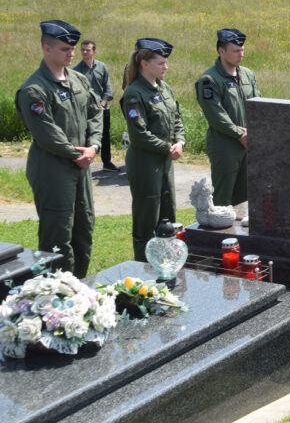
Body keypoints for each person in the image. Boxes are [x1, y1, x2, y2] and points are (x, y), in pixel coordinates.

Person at [15, 20, 102, 277]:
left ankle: (80, 289)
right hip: (53, 169)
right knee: (58, 237)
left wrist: (93, 146)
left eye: (72, 48)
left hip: (82, 166)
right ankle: (55, 293)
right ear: (47, 48)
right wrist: (78, 154)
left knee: (84, 231)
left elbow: (95, 113)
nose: (71, 53)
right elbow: (47, 134)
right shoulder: (34, 89)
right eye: (65, 49)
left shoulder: (78, 80)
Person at [121, 39, 185, 262]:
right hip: (145, 164)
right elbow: (139, 134)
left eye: (165, 62)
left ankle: (167, 263)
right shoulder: (134, 94)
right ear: (145, 64)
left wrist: (180, 142)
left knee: (168, 217)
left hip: (165, 162)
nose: (166, 67)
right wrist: (168, 148)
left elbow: (177, 119)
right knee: (147, 220)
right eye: (161, 63)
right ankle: (143, 266)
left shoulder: (165, 88)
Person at [196, 28, 261, 208]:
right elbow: (215, 114)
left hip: (248, 142)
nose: (241, 54)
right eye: (236, 51)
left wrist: (255, 131)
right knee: (223, 198)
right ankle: (220, 226)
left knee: (246, 196)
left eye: (242, 50)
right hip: (225, 144)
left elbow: (258, 104)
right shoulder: (209, 80)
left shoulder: (247, 74)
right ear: (221, 51)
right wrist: (238, 134)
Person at [73, 40, 117, 171]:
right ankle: (85, 162)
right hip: (87, 110)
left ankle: (107, 162)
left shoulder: (102, 67)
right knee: (86, 136)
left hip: (103, 107)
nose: (84, 52)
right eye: (82, 49)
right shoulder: (76, 71)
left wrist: (102, 104)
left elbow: (108, 88)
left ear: (94, 51)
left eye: (87, 50)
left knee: (105, 135)